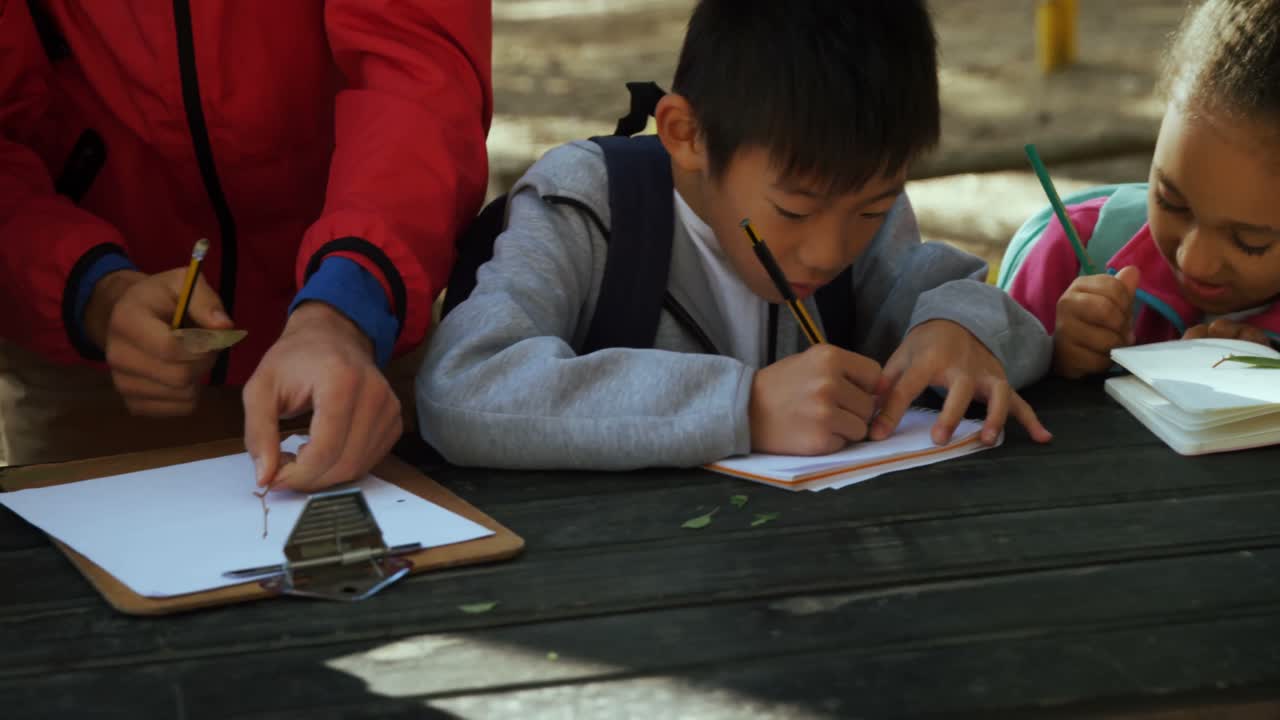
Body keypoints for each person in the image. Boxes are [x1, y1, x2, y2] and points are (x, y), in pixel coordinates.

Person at [416, 0, 1053, 471]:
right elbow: (462, 386)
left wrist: (958, 330)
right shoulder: (585, 205)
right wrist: (744, 408)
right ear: (687, 135)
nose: (829, 252)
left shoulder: (853, 193)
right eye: (794, 212)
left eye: (870, 210)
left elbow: (972, 304)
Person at [0, 1, 492, 489]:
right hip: (91, 369)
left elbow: (421, 70)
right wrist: (90, 291)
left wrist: (349, 298)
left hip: (362, 342)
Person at [1005, 0, 1280, 378]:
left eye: (1249, 241)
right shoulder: (1074, 253)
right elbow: (977, 388)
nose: (1193, 261)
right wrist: (1051, 356)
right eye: (1170, 201)